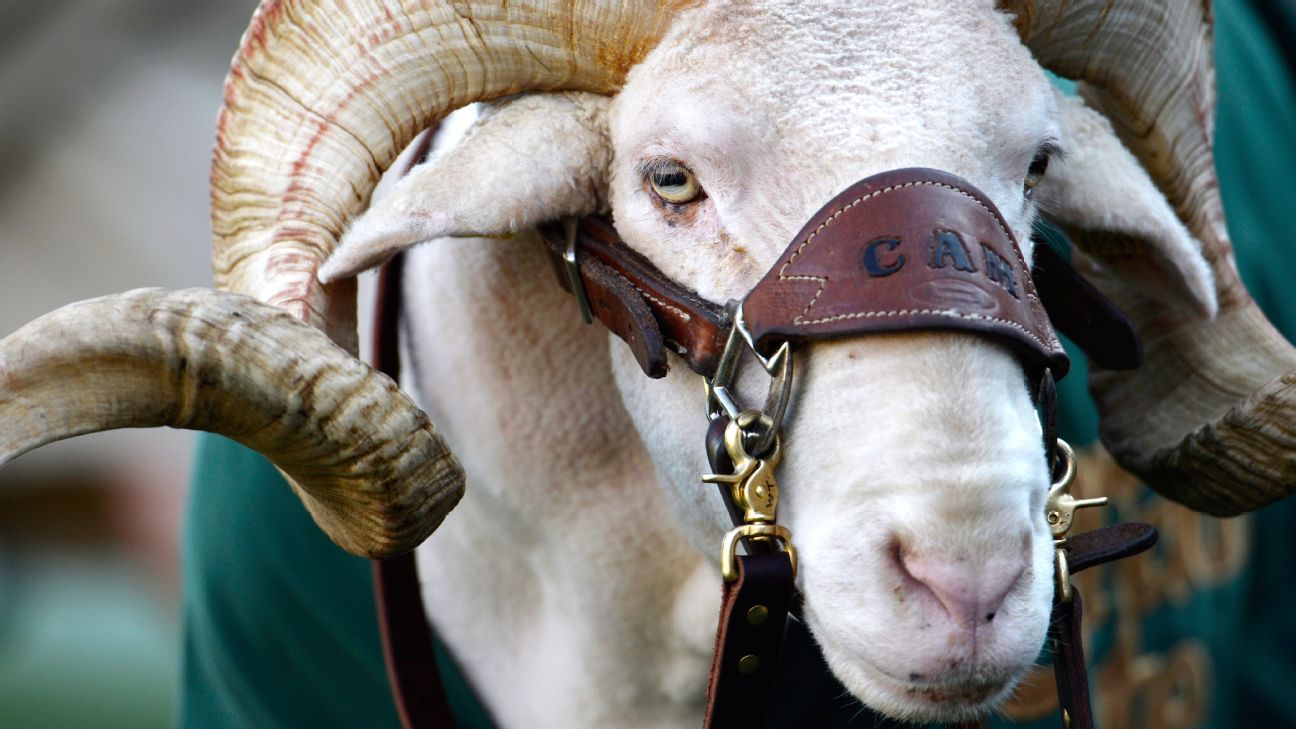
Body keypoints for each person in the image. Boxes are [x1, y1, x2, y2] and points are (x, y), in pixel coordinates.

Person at [178, 2, 1296, 726]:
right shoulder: (294, 545)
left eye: (1034, 158)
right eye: (674, 181)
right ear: (528, 184)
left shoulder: (1247, 98)